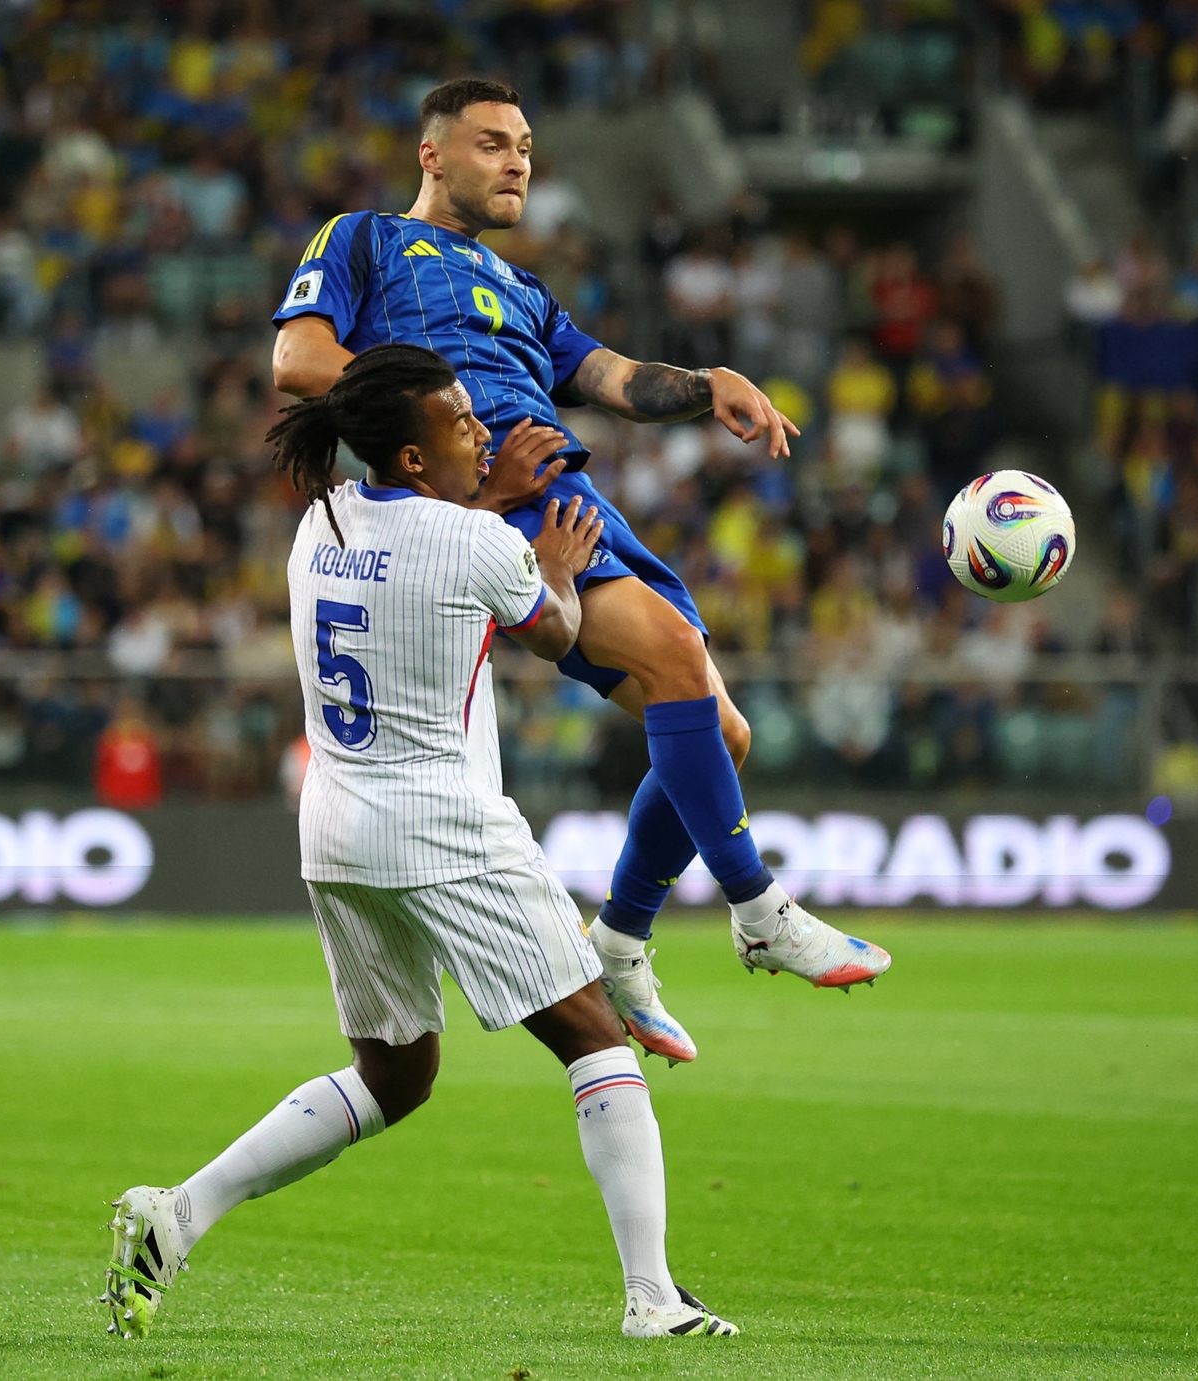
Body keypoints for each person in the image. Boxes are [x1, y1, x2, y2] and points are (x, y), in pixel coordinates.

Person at [102, 344, 738, 1343]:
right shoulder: (470, 544)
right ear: (408, 456)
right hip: (445, 825)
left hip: (339, 831)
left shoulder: (318, 525)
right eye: (459, 423)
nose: (482, 430)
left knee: (398, 1075)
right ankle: (653, 1297)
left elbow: (422, 557)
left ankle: (177, 1213)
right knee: (594, 1034)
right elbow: (553, 630)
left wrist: (485, 510)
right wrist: (558, 566)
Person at [269, 78, 890, 1065]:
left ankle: (618, 939)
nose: (516, 160)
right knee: (680, 664)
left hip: (571, 498)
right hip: (497, 492)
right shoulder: (365, 241)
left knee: (721, 732)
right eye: (490, 143)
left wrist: (708, 384)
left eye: (524, 145)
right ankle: (759, 908)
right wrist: (447, 424)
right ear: (432, 155)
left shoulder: (521, 290)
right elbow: (300, 361)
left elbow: (614, 381)